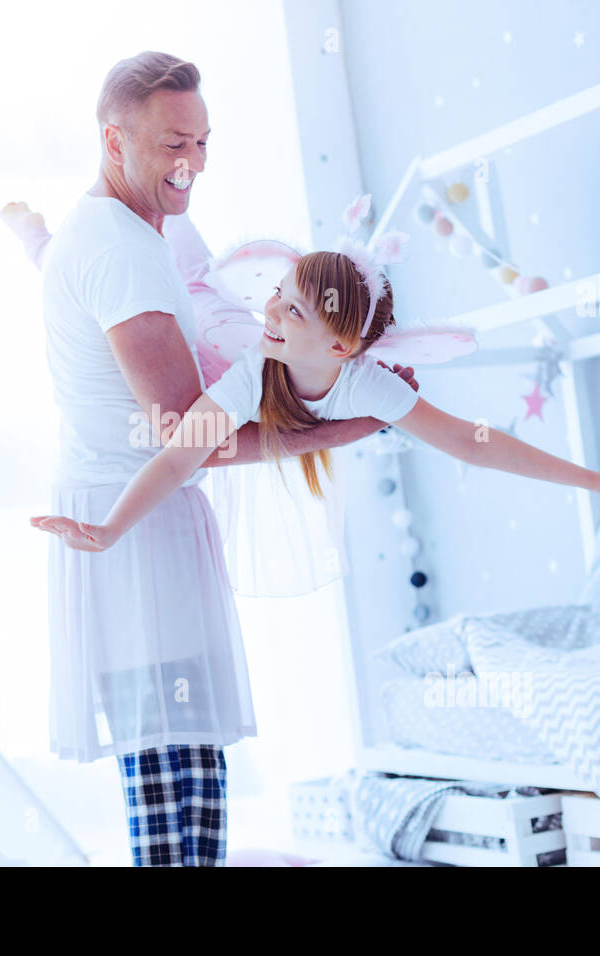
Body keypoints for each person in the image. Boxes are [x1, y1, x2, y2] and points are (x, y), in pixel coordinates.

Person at [28, 51, 417, 867]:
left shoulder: (123, 233)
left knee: (172, 781)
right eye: (174, 143)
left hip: (130, 521)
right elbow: (187, 434)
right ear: (114, 141)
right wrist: (355, 425)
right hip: (137, 528)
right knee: (180, 784)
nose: (194, 164)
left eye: (203, 141)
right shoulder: (125, 252)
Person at [31, 245, 600, 554]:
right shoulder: (254, 363)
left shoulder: (364, 383)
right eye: (278, 292)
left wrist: (590, 479)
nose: (273, 307)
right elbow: (179, 459)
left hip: (235, 341)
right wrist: (113, 525)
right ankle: (45, 247)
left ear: (341, 350)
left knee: (197, 280)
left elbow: (470, 441)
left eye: (292, 308)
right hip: (207, 333)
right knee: (190, 275)